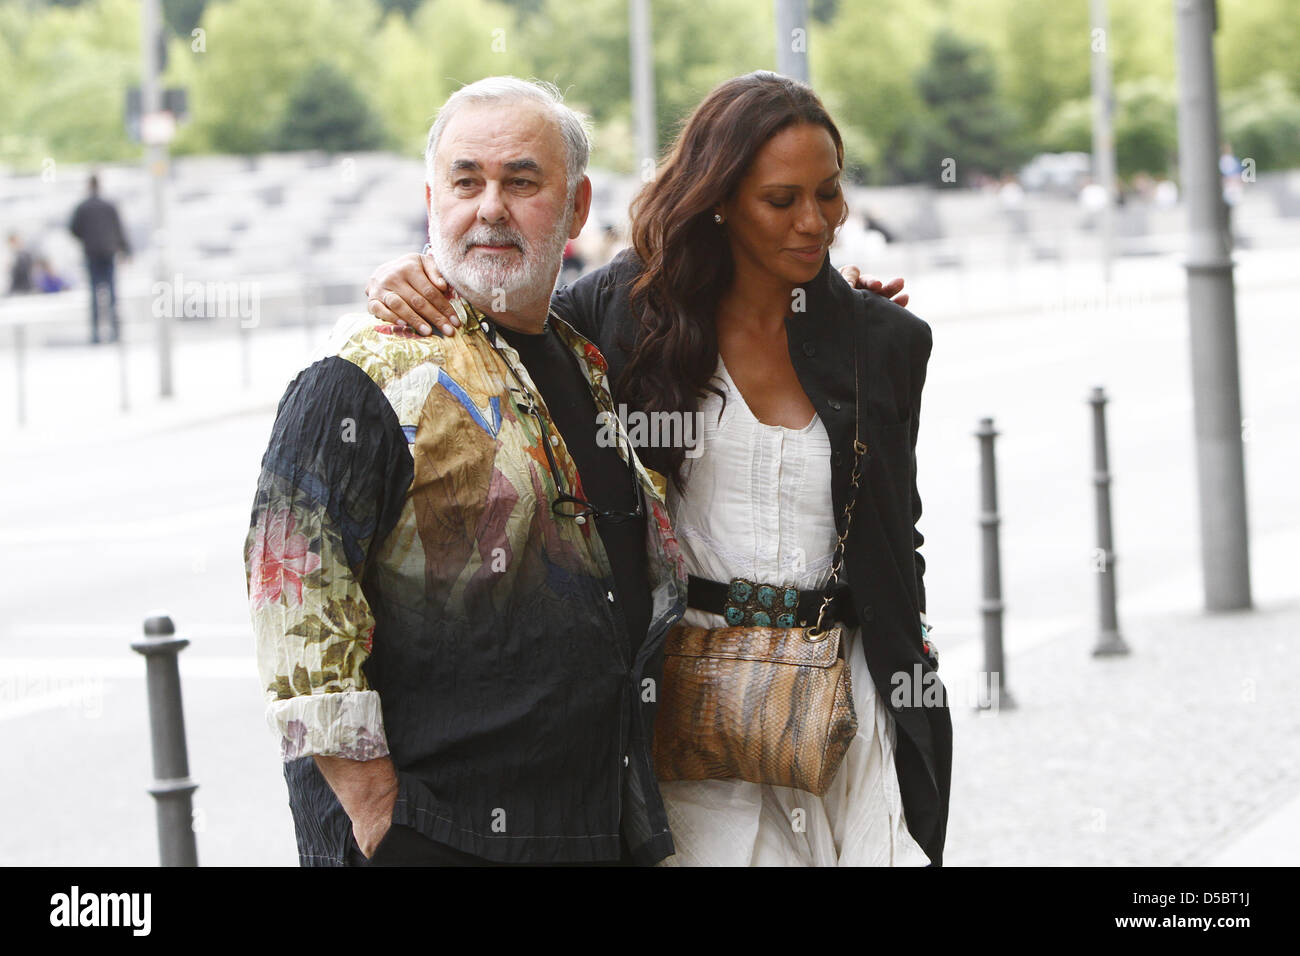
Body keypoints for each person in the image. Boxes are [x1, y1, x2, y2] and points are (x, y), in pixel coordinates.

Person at [366, 71, 951, 866]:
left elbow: (895, 531)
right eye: (782, 201)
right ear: (719, 200)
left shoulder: (884, 343)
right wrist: (407, 274)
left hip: (848, 703)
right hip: (690, 712)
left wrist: (914, 670)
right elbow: (501, 309)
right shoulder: (622, 316)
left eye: (830, 194)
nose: (815, 222)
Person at [246, 77, 694, 867]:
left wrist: (840, 302)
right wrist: (378, 814)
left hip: (591, 824)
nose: (490, 206)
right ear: (432, 199)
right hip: (437, 834)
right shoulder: (361, 377)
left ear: (577, 207)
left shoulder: (584, 358)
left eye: (521, 182)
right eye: (466, 180)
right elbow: (292, 599)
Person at [69, 174, 130, 343]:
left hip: (92, 253)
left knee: (95, 294)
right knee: (111, 293)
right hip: (107, 252)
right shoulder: (108, 206)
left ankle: (96, 333)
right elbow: (119, 228)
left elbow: (74, 229)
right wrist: (124, 249)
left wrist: (87, 239)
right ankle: (114, 331)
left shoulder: (83, 207)